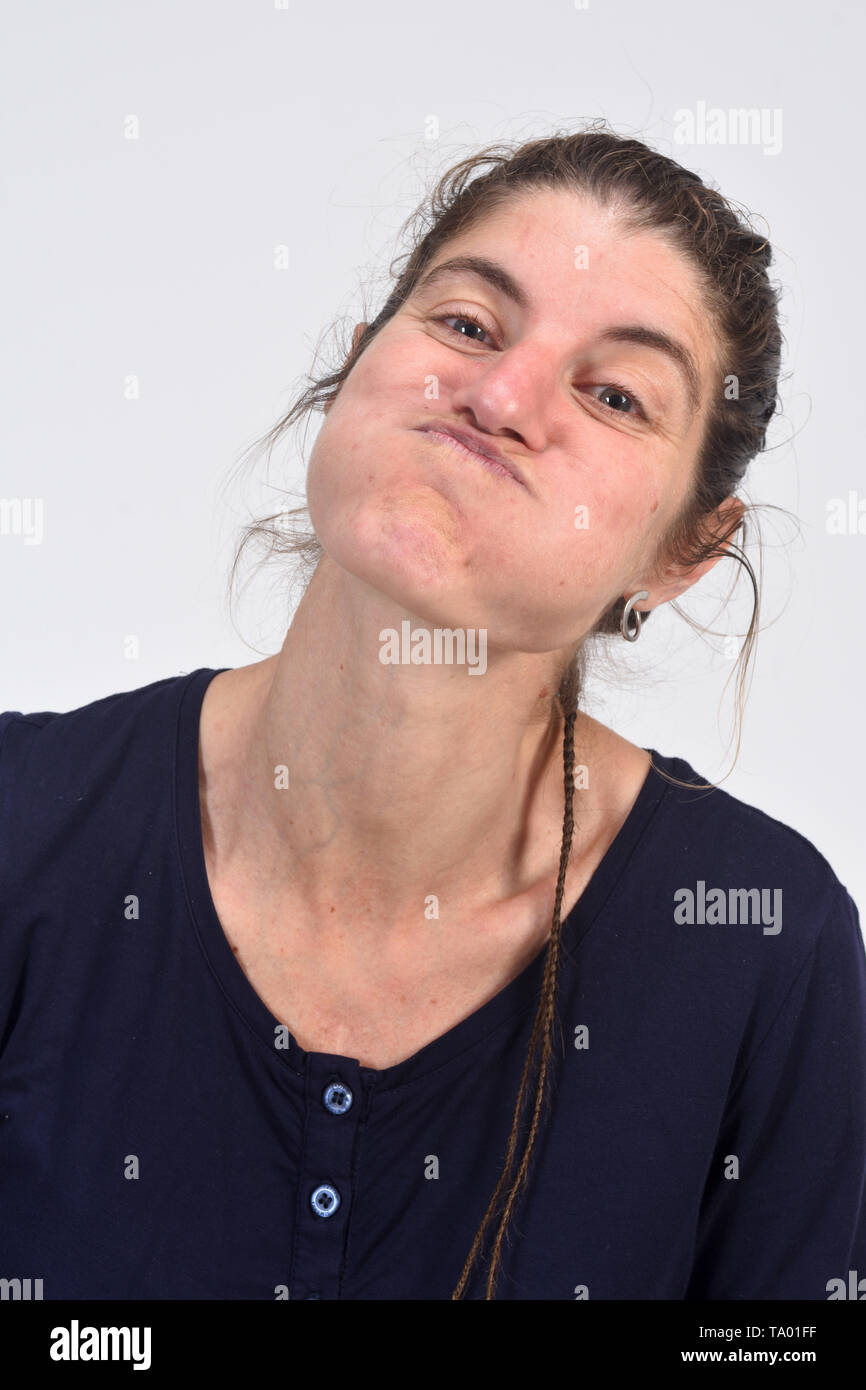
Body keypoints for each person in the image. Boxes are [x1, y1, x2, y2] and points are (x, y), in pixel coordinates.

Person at [1, 123, 864, 1302]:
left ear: (681, 553)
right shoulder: (23, 831)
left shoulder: (762, 941)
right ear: (353, 367)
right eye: (465, 324)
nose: (499, 395)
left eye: (612, 393)